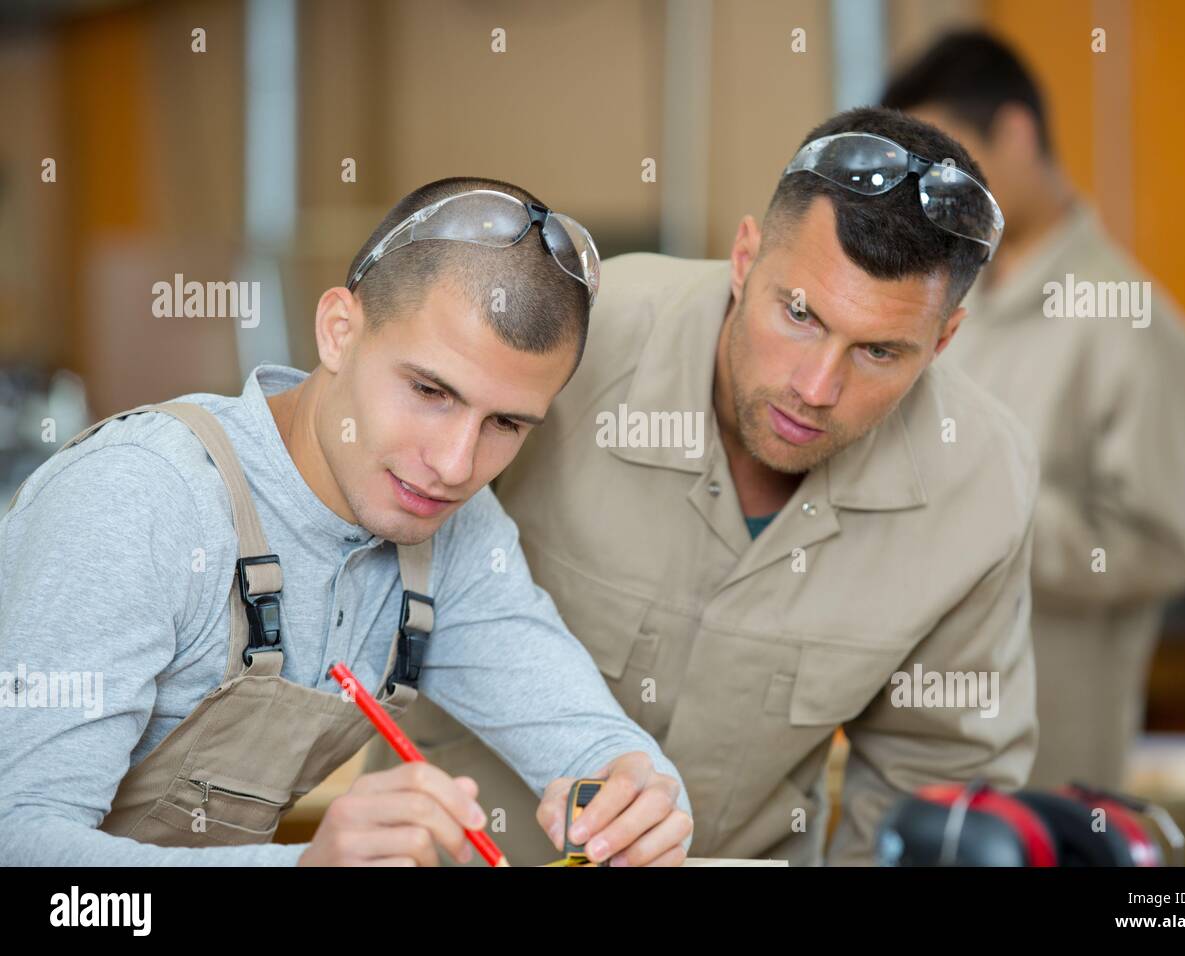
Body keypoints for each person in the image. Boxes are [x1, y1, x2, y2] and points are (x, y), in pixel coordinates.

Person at [370, 109, 1041, 865]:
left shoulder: (980, 486)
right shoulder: (578, 339)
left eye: (881, 351)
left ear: (944, 340)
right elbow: (376, 514)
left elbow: (932, 780)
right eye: (799, 314)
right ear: (745, 256)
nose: (816, 387)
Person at [0, 177, 692, 866]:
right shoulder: (141, 494)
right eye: (429, 391)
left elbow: (594, 744)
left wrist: (639, 800)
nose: (454, 465)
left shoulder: (454, 528)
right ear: (338, 331)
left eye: (505, 423)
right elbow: (20, 845)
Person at [881, 30, 1185, 788]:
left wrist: (982, 518)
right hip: (920, 746)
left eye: (954, 160)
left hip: (1049, 759)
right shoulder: (951, 303)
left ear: (1017, 133)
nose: (941, 192)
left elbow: (1174, 541)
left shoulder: (1128, 321)